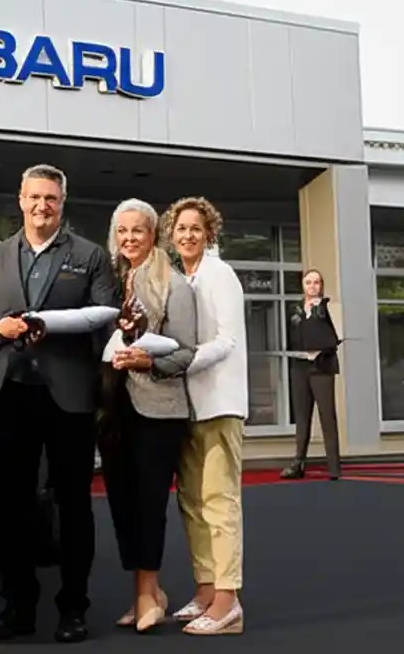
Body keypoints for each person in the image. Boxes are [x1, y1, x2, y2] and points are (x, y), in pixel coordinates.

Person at [0, 164, 117, 644]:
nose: (42, 206)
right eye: (35, 197)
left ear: (61, 203)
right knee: (11, 507)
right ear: (20, 199)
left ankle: (73, 608)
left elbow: (104, 319)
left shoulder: (90, 257)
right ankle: (17, 608)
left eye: (51, 198)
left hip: (68, 399)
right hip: (11, 393)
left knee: (73, 506)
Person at [97, 199, 198, 633]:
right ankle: (146, 592)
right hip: (113, 409)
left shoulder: (173, 284)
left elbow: (187, 352)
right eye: (122, 232)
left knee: (148, 503)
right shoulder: (108, 281)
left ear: (153, 234)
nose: (129, 239)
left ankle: (147, 592)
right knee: (121, 503)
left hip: (157, 410)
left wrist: (147, 362)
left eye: (137, 231)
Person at [162, 197, 248, 635]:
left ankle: (228, 602)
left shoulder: (220, 274)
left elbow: (227, 340)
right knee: (192, 503)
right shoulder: (181, 277)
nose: (188, 235)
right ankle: (206, 590)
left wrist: (182, 360)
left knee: (219, 502)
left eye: (196, 228)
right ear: (172, 234)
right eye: (181, 228)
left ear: (209, 232)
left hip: (219, 405)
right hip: (188, 408)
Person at [280, 269, 343, 480]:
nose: (313, 286)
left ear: (321, 285)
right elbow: (290, 335)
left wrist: (320, 345)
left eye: (316, 282)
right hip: (300, 367)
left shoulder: (327, 308)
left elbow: (336, 336)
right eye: (308, 282)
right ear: (303, 286)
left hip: (322, 367)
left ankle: (334, 468)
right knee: (302, 417)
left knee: (327, 417)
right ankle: (298, 463)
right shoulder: (295, 309)